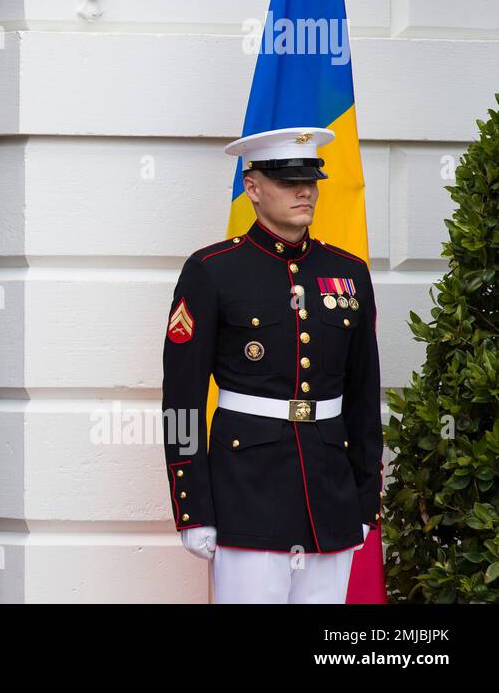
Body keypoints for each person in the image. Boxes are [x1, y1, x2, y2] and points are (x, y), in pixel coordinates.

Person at [162, 127, 383, 603]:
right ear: (253, 187)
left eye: (311, 179)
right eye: (287, 181)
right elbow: (181, 400)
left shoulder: (347, 273)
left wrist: (366, 497)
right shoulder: (213, 271)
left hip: (331, 497)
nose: (305, 191)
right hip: (247, 494)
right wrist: (193, 507)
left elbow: (364, 397)